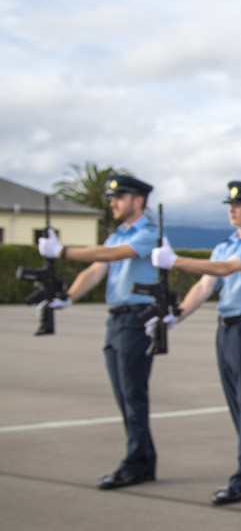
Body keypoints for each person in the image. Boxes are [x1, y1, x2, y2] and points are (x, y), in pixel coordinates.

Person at [152, 181, 241, 505]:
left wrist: (175, 260)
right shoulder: (224, 244)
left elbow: (226, 269)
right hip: (226, 328)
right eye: (230, 205)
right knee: (237, 404)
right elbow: (206, 284)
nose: (232, 209)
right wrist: (176, 316)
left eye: (239, 205)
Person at [38, 174, 160, 490]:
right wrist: (67, 298)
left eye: (120, 197)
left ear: (139, 200)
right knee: (124, 394)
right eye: (112, 197)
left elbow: (113, 256)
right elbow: (96, 270)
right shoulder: (117, 234)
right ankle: (142, 459)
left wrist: (62, 252)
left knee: (133, 393)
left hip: (137, 319)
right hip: (117, 321)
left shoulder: (148, 233)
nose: (113, 202)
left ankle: (137, 463)